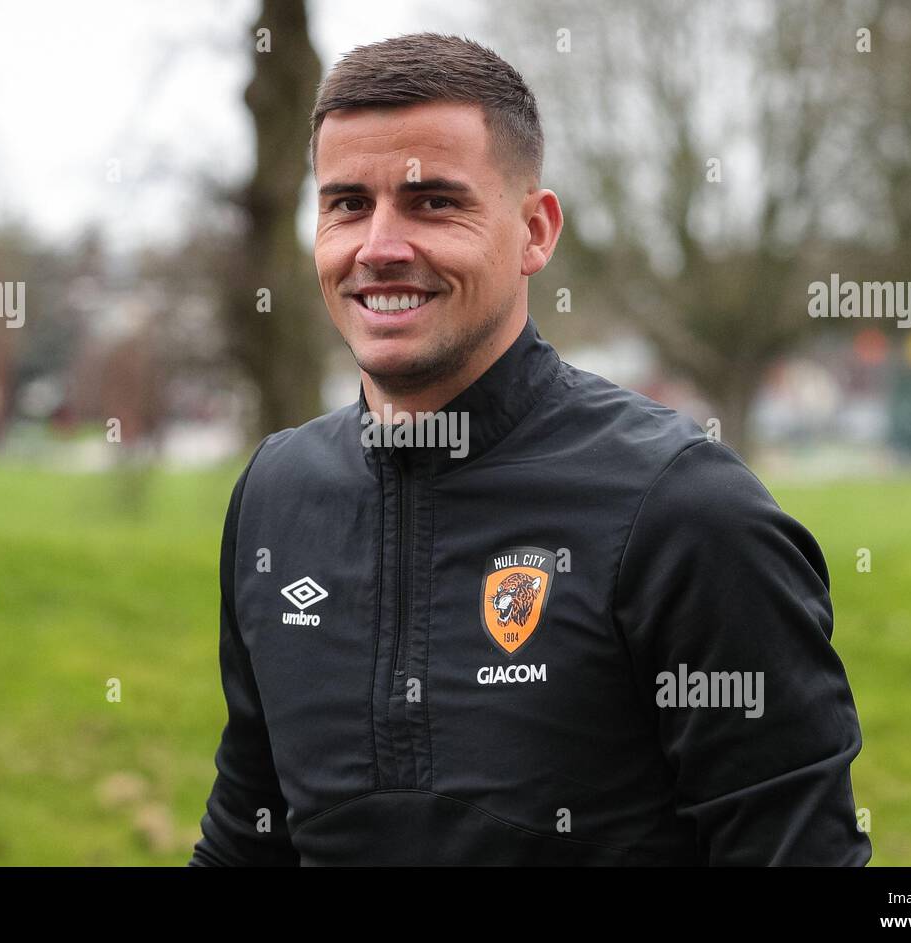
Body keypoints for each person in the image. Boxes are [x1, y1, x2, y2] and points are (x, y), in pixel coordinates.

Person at [189, 32, 870, 865]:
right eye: (346, 205)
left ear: (535, 231)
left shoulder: (684, 512)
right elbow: (245, 837)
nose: (379, 246)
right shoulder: (275, 494)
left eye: (434, 202)